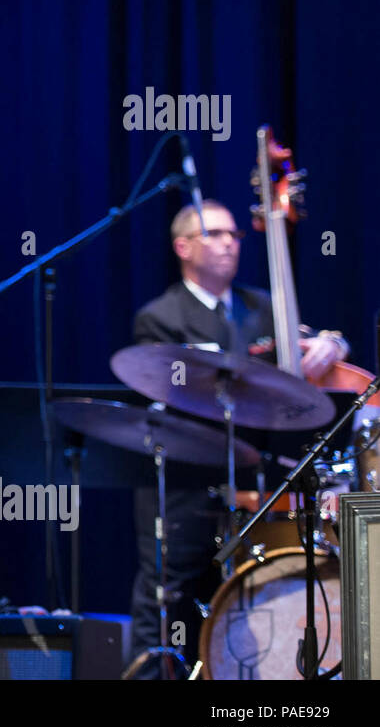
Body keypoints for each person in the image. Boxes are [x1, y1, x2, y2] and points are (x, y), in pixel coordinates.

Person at [127, 200, 349, 677]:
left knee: (247, 589)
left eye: (235, 234)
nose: (231, 242)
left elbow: (309, 344)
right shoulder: (160, 317)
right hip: (185, 478)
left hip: (252, 471)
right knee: (167, 593)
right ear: (183, 247)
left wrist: (331, 343)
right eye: (216, 234)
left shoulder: (262, 306)